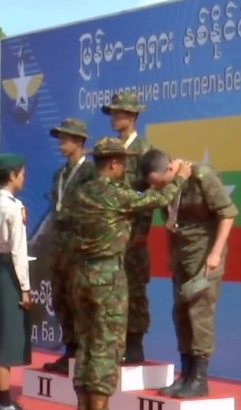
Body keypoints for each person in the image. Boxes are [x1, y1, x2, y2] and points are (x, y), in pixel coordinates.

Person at [65, 137, 191, 410]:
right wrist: (180, 177)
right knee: (106, 349)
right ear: (113, 164)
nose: (124, 168)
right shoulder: (116, 195)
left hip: (81, 274)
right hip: (108, 276)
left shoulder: (80, 193)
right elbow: (157, 197)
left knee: (86, 344)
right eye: (122, 163)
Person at [138, 150, 238, 399]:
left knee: (199, 314)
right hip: (182, 258)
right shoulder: (169, 187)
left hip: (204, 257)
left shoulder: (201, 176)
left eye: (160, 182)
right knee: (181, 314)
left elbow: (228, 213)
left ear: (170, 169)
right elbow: (170, 222)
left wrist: (215, 253)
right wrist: (171, 254)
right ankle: (186, 374)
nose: (158, 187)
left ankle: (200, 378)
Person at [41, 118, 96, 375]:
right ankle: (70, 351)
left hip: (80, 245)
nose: (61, 143)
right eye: (60, 138)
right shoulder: (59, 174)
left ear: (80, 142)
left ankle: (84, 354)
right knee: (61, 299)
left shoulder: (91, 173)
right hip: (59, 246)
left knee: (79, 300)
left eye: (66, 139)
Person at [101, 91, 154, 364]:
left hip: (133, 234)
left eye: (118, 113)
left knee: (134, 288)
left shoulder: (143, 151)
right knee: (112, 290)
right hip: (110, 234)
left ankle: (135, 345)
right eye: (112, 112)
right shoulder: (110, 149)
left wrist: (142, 233)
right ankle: (117, 342)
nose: (113, 117)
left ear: (132, 116)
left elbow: (149, 196)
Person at [0, 154, 32, 410]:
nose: (24, 178)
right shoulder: (13, 207)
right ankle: (3, 403)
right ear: (12, 175)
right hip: (11, 274)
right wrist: (24, 287)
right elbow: (18, 251)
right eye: (22, 174)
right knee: (4, 343)